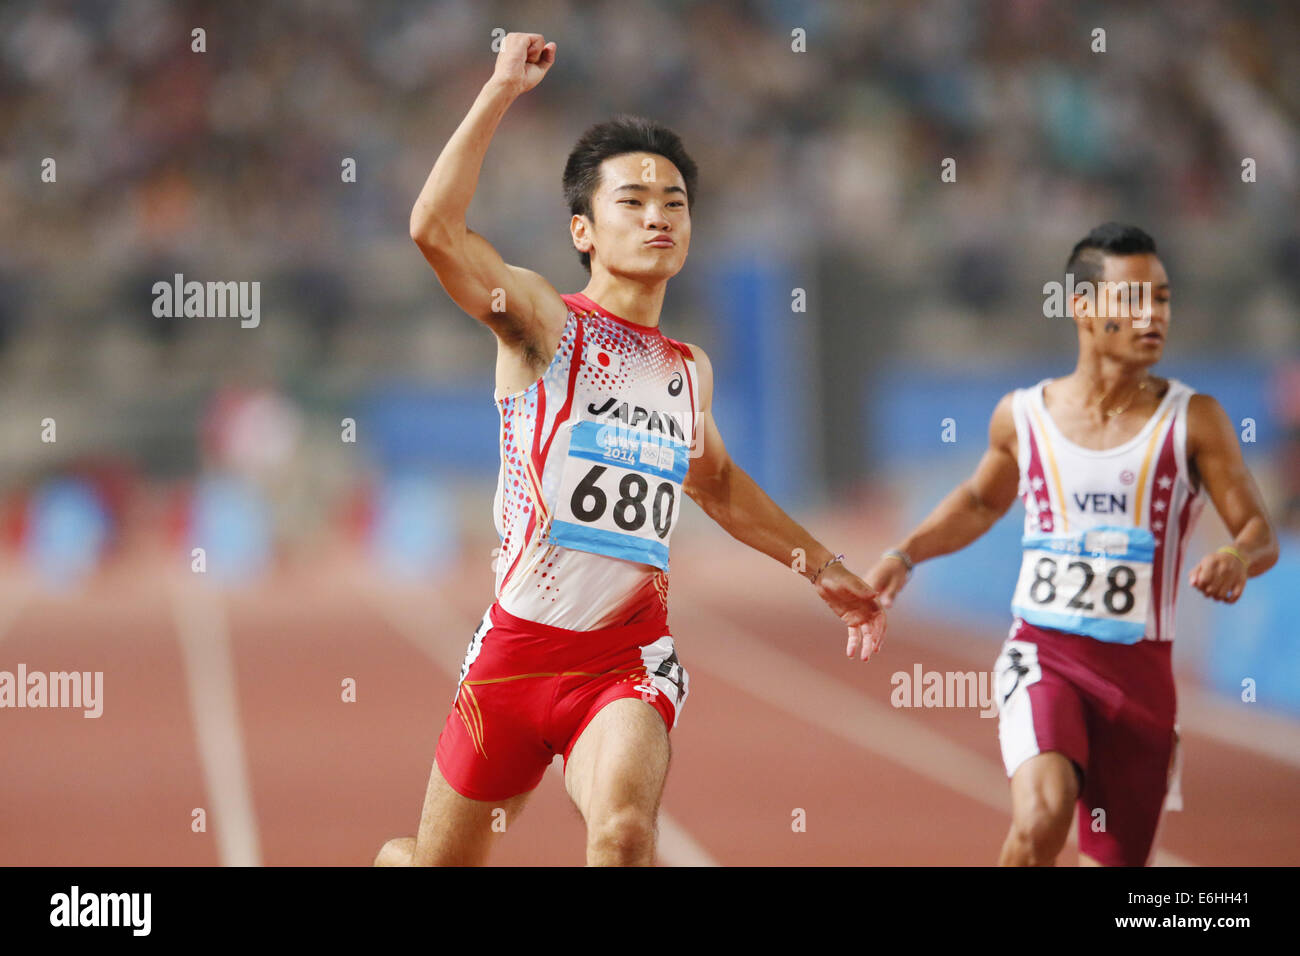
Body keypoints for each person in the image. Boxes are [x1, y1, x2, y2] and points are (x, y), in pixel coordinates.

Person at [374, 32, 885, 867]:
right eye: (634, 201)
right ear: (583, 228)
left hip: (624, 658)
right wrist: (501, 88)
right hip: (513, 657)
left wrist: (821, 564)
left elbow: (716, 485)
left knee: (622, 836)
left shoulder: (690, 371)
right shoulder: (543, 322)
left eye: (675, 202)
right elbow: (433, 229)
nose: (659, 216)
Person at [864, 223, 1278, 866]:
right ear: (1082, 307)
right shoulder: (1025, 415)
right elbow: (979, 501)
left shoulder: (1195, 422)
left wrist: (1236, 556)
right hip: (1045, 655)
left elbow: (1258, 531)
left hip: (1142, 683)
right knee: (1041, 818)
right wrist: (905, 553)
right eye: (1133, 298)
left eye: (1162, 298)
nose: (1154, 315)